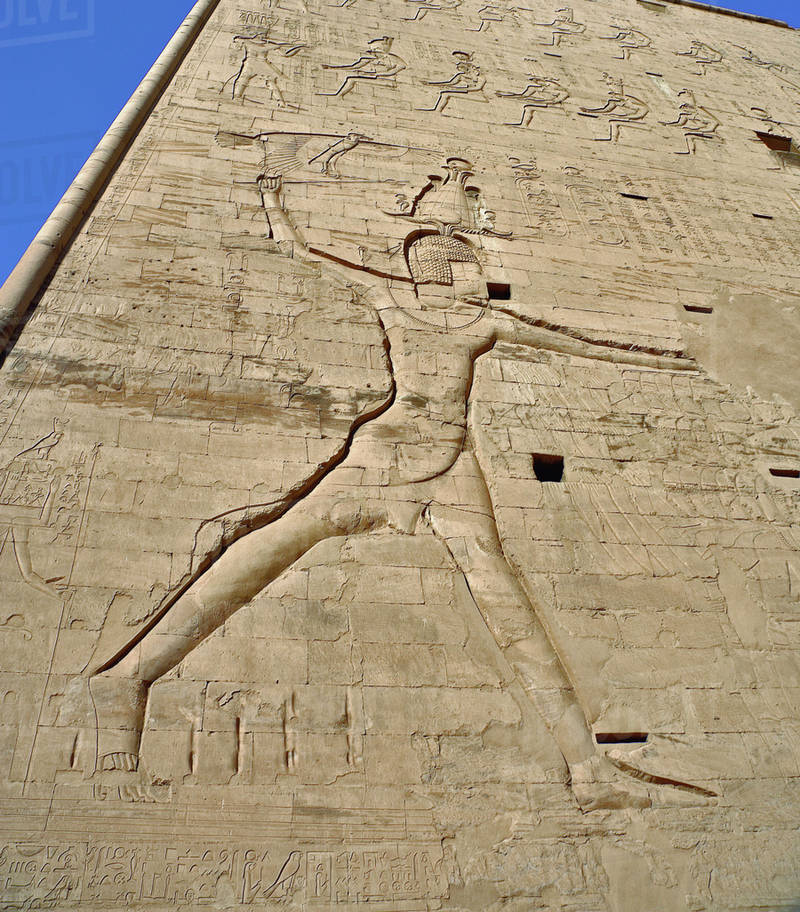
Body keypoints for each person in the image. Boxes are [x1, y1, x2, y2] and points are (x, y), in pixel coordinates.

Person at [87, 160, 705, 811]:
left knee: (502, 597)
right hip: (388, 449)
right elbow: (308, 254)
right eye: (439, 262)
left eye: (453, 262)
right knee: (270, 548)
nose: (445, 273)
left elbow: (577, 342)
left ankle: (585, 770)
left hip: (451, 462)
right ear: (422, 269)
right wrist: (272, 202)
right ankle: (129, 676)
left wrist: (666, 356)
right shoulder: (399, 302)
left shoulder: (478, 321)